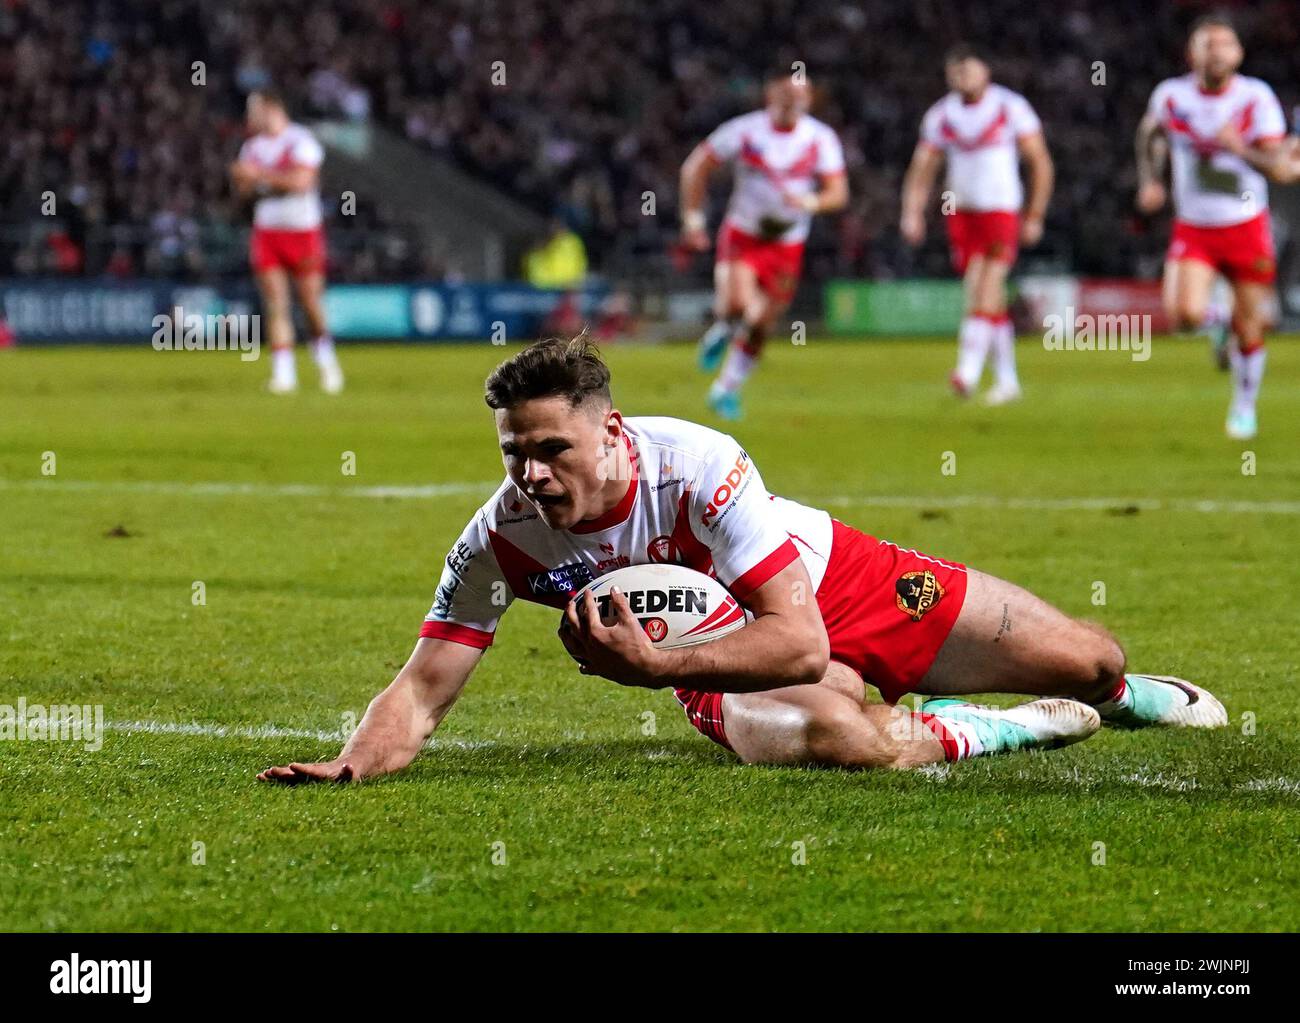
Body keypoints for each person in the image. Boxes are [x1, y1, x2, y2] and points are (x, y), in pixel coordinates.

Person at [259, 336, 1226, 785]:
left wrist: (653, 668)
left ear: (611, 435)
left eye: (551, 448)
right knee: (847, 742)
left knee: (1094, 660)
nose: (530, 470)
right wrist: (353, 763)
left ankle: (1118, 697)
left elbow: (802, 638)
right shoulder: (502, 537)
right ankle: (1007, 729)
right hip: (721, 657)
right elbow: (425, 687)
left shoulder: (697, 465)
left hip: (832, 582)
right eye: (513, 450)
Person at [1136, 14, 1293, 440]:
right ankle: (1216, 321)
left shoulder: (1255, 98)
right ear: (1193, 53)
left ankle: (1244, 407)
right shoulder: (1171, 96)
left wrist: (1238, 148)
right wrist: (1150, 177)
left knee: (1252, 326)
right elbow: (1150, 134)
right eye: (1207, 44)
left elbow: (1278, 166)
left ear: (1238, 53)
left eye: (1224, 44)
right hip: (1195, 226)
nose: (1216, 51)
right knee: (1183, 316)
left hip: (1245, 224)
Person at [679, 73, 848, 421]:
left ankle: (725, 388)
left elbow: (838, 193)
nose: (792, 99)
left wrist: (810, 201)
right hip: (744, 234)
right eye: (785, 91)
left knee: (761, 324)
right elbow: (696, 166)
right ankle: (724, 327)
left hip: (787, 243)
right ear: (770, 93)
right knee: (738, 304)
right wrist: (693, 221)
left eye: (799, 92)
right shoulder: (744, 131)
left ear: (809, 97)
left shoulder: (820, 138)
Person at [901, 44, 1053, 405]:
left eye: (968, 69)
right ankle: (1007, 381)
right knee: (989, 296)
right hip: (962, 213)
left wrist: (1034, 213)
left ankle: (966, 372)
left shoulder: (1009, 107)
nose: (962, 77)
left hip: (1001, 209)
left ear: (986, 70)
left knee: (984, 285)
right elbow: (923, 169)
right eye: (955, 72)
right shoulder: (942, 116)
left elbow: (1040, 162)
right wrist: (912, 211)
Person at [230, 88, 342, 395]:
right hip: (267, 232)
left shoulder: (300, 140)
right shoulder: (251, 147)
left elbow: (302, 182)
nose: (249, 117)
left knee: (309, 304)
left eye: (253, 109)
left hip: (303, 232)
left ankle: (326, 361)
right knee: (276, 303)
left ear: (271, 108)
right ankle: (284, 374)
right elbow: (243, 192)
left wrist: (257, 177)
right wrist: (245, 182)